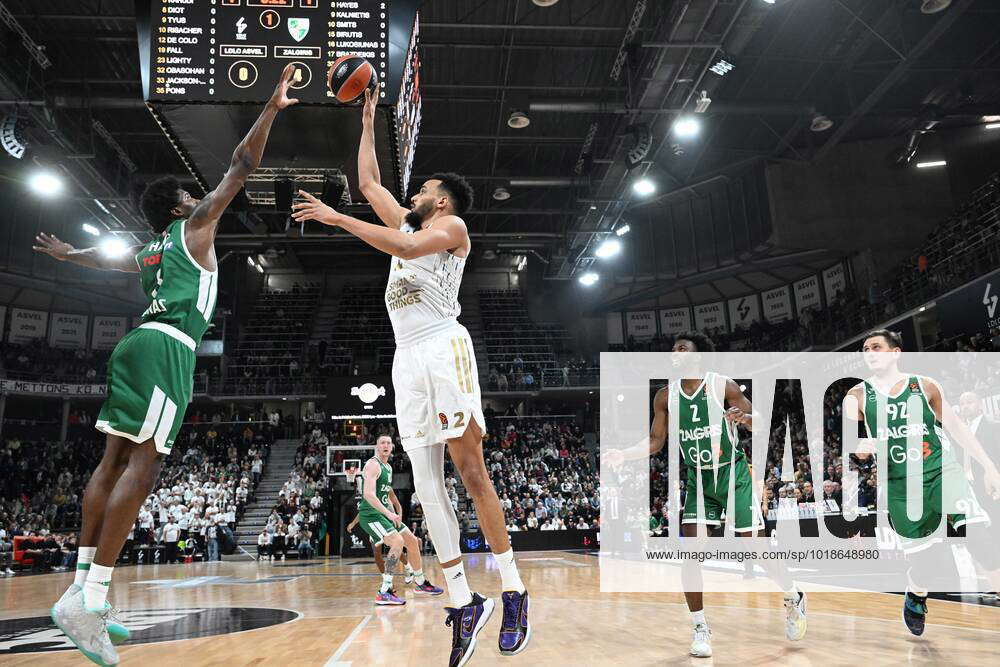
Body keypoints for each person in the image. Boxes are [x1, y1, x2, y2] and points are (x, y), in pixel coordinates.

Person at [38, 65, 300, 666]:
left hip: (136, 345)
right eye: (190, 192)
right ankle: (94, 594)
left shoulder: (151, 249)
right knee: (146, 463)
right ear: (182, 202)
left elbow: (101, 263)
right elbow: (241, 167)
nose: (197, 195)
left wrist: (65, 253)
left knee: (113, 459)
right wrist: (271, 107)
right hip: (167, 350)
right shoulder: (194, 226)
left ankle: (84, 591)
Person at [291, 87, 529, 665]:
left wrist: (331, 216)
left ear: (442, 203)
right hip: (406, 356)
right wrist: (366, 120)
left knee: (469, 471)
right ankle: (463, 600)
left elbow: (400, 241)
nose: (415, 193)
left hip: (444, 347)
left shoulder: (452, 231)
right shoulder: (409, 219)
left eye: (424, 189)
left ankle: (515, 590)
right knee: (424, 487)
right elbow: (371, 183)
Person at [603, 332, 806, 658]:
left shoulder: (721, 385)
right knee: (692, 553)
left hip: (733, 473)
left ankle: (793, 596)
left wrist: (744, 418)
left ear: (697, 357)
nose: (674, 352)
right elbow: (656, 441)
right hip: (699, 479)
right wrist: (624, 455)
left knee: (757, 548)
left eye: (682, 348)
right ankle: (700, 627)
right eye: (672, 349)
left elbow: (760, 422)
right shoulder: (664, 396)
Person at [846, 330, 1000, 635]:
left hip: (942, 472)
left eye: (876, 346)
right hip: (902, 487)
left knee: (980, 540)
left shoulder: (925, 385)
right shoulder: (857, 396)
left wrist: (989, 466)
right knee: (929, 564)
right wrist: (860, 448)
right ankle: (916, 591)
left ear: (895, 352)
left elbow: (957, 428)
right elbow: (852, 442)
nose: (870, 352)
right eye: (865, 348)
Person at [355, 436, 443, 605]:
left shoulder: (387, 467)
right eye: (382, 443)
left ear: (392, 447)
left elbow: (385, 495)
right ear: (377, 447)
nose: (386, 445)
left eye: (388, 443)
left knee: (411, 540)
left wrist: (394, 513)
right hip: (370, 514)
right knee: (397, 541)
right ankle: (384, 590)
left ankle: (419, 582)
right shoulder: (373, 465)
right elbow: (368, 494)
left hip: (383, 514)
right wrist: (389, 515)